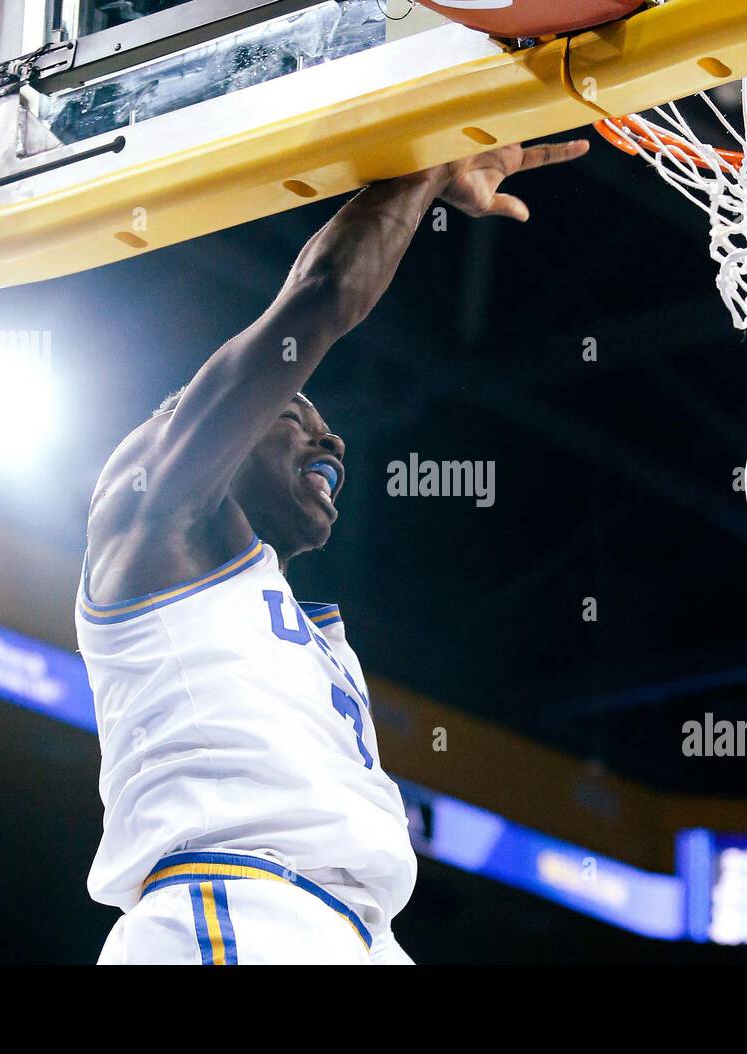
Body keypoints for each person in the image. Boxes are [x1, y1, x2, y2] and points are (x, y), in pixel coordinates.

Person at [77, 139, 590, 964]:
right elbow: (319, 299)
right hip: (238, 905)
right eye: (294, 417)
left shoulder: (299, 631)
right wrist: (427, 165)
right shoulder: (152, 519)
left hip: (356, 932)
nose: (335, 438)